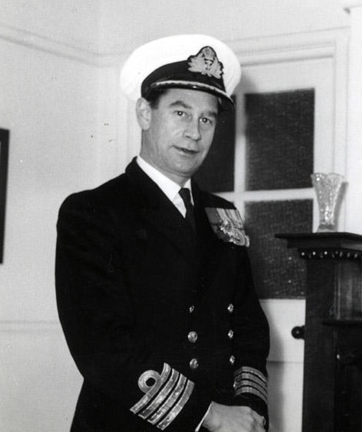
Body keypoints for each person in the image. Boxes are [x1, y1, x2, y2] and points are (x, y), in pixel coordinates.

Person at [56, 35, 270, 432]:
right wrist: (209, 415)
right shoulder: (92, 211)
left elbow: (249, 326)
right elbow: (101, 346)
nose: (195, 133)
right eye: (180, 112)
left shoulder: (221, 213)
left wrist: (248, 407)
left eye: (207, 119)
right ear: (144, 112)